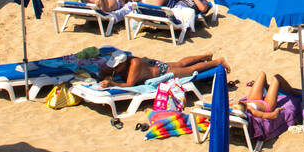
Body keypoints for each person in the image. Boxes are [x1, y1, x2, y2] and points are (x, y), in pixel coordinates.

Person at [96, 51, 228, 88]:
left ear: (124, 63)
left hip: (162, 72)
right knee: (180, 63)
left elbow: (130, 84)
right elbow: (103, 72)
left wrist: (111, 83)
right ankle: (204, 56)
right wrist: (105, 74)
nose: (115, 68)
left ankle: (217, 61)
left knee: (190, 69)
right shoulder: (119, 62)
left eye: (117, 66)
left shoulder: (134, 64)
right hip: (154, 65)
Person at [235, 72, 301, 120]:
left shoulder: (233, 108)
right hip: (267, 105)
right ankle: (293, 92)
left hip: (252, 100)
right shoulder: (253, 111)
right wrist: (278, 110)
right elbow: (273, 116)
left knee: (262, 74)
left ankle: (267, 88)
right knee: (277, 78)